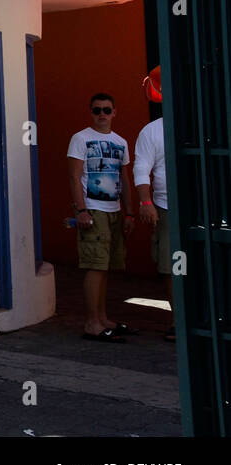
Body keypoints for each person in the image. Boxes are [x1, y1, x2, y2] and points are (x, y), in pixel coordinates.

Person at [68, 92, 136, 342]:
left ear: (114, 112)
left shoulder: (121, 141)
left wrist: (129, 212)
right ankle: (91, 323)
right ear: (91, 112)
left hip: (115, 211)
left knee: (106, 267)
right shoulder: (80, 138)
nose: (102, 115)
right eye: (97, 110)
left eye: (106, 110)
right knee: (94, 266)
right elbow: (74, 176)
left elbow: (125, 179)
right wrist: (81, 210)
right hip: (93, 210)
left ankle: (103, 317)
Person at [134, 66, 174, 342]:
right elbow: (141, 169)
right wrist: (146, 202)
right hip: (166, 207)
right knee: (170, 266)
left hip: (201, 208)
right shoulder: (151, 131)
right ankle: (179, 318)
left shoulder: (203, 120)